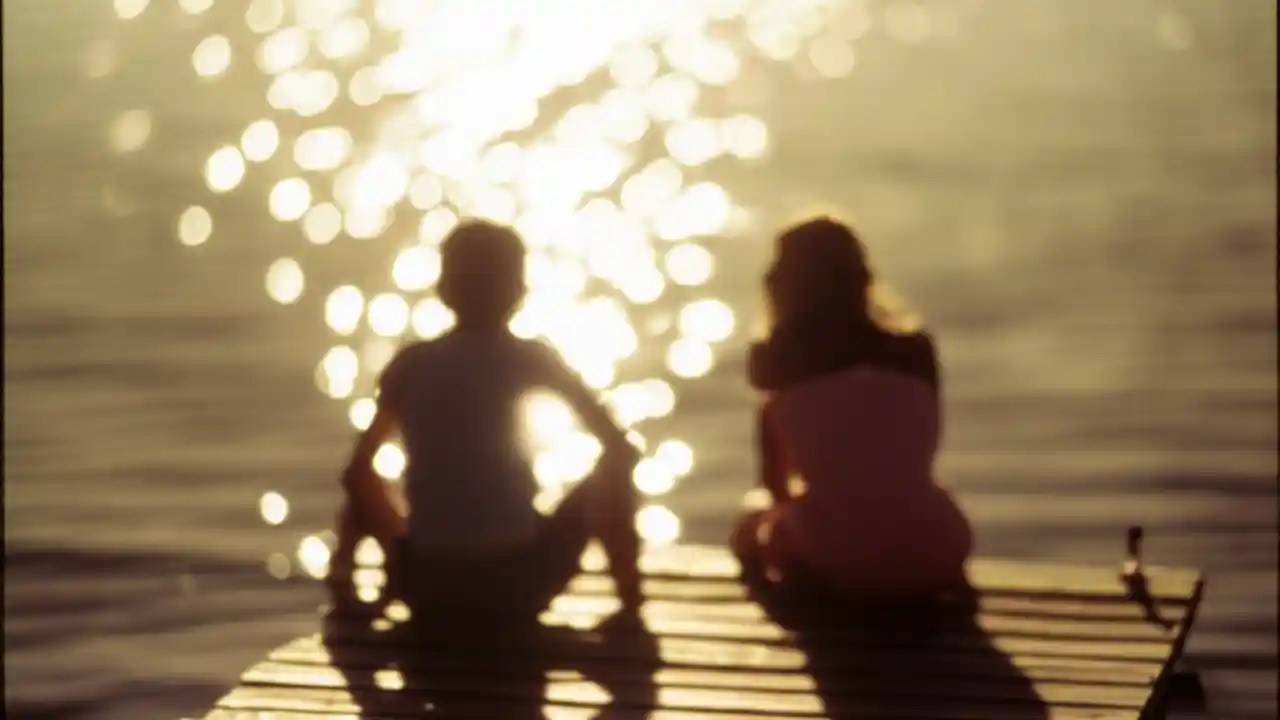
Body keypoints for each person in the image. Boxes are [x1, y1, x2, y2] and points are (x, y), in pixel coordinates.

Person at [327, 220, 643, 624]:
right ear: (518, 293)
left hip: (430, 590)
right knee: (615, 469)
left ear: (443, 290)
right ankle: (630, 598)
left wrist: (401, 551)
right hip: (516, 588)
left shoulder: (411, 365)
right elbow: (617, 446)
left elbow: (356, 475)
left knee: (365, 475)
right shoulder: (533, 358)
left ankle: (343, 584)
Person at [730, 216, 973, 599]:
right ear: (861, 280)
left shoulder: (781, 368)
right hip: (934, 546)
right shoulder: (915, 354)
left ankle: (810, 591)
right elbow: (918, 455)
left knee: (751, 523)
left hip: (837, 556)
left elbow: (776, 486)